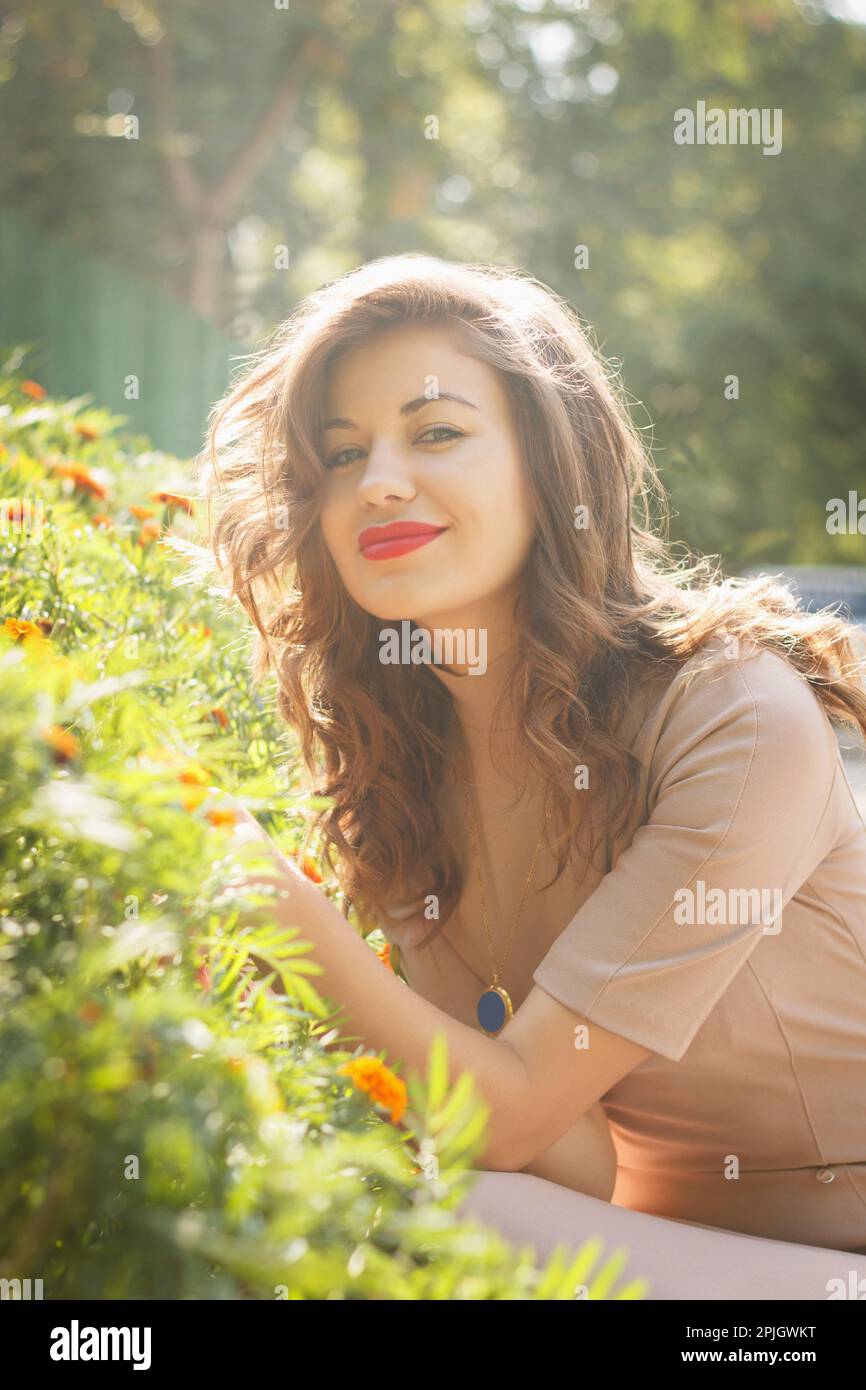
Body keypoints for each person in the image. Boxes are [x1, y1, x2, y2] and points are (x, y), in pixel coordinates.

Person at [183, 253, 866, 1300]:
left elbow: (507, 1115)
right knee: (412, 1189)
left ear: (550, 464)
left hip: (830, 1280)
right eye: (341, 453)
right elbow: (551, 1147)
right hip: (672, 1261)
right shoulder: (402, 772)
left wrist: (265, 900)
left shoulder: (728, 713)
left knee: (454, 1214)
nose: (379, 481)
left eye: (436, 431)